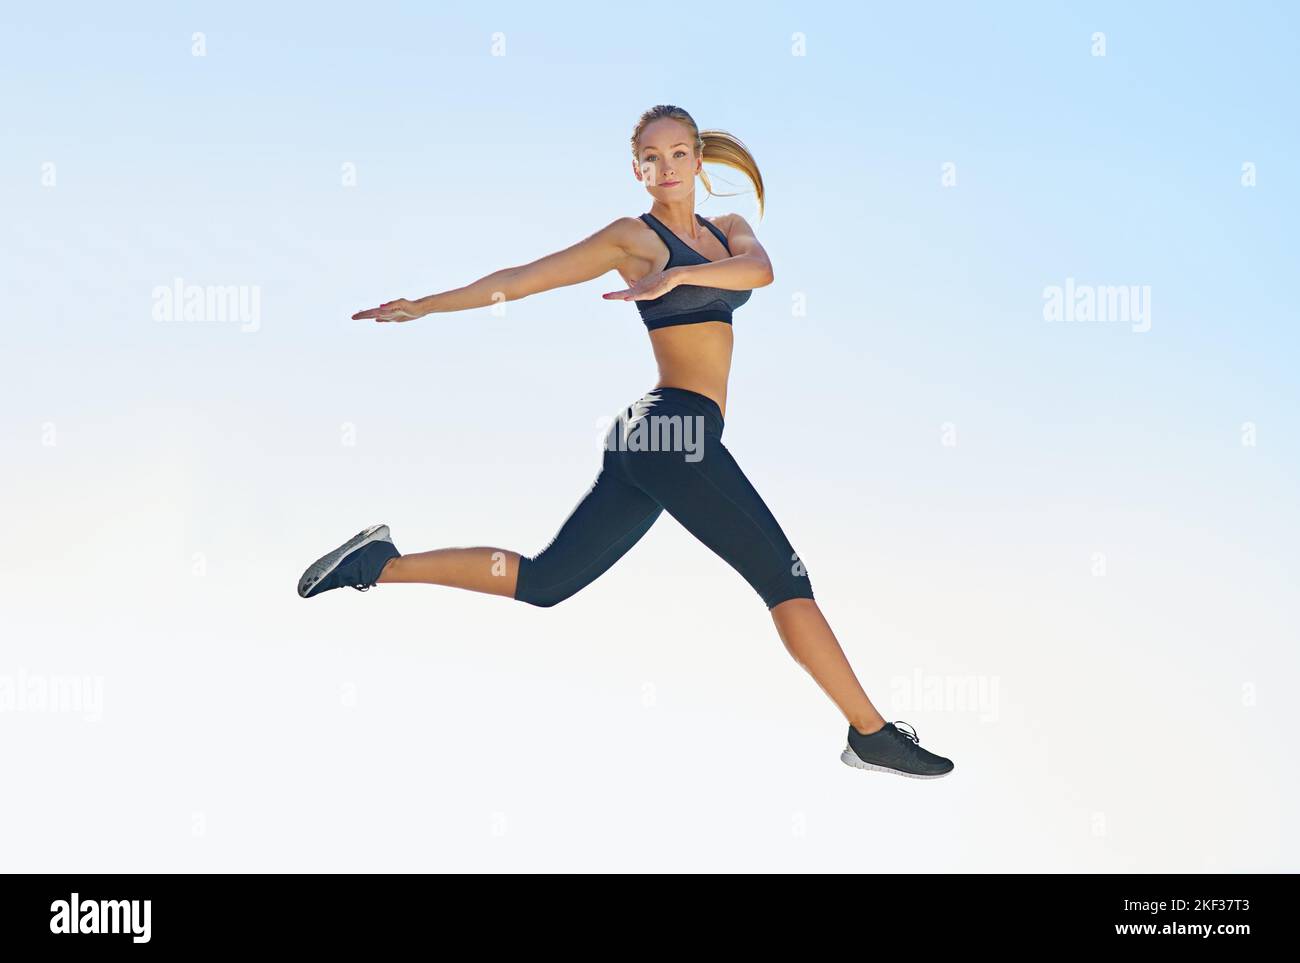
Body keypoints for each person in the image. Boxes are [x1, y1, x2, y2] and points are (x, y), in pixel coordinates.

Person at [297, 105, 954, 778]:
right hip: (672, 430)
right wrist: (428, 304)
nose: (664, 168)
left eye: (677, 154)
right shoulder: (629, 239)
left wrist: (679, 277)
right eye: (650, 157)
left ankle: (379, 562)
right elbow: (524, 279)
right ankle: (870, 732)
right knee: (786, 581)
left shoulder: (728, 232)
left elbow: (761, 272)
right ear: (635, 169)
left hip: (657, 434)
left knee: (546, 580)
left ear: (699, 161)